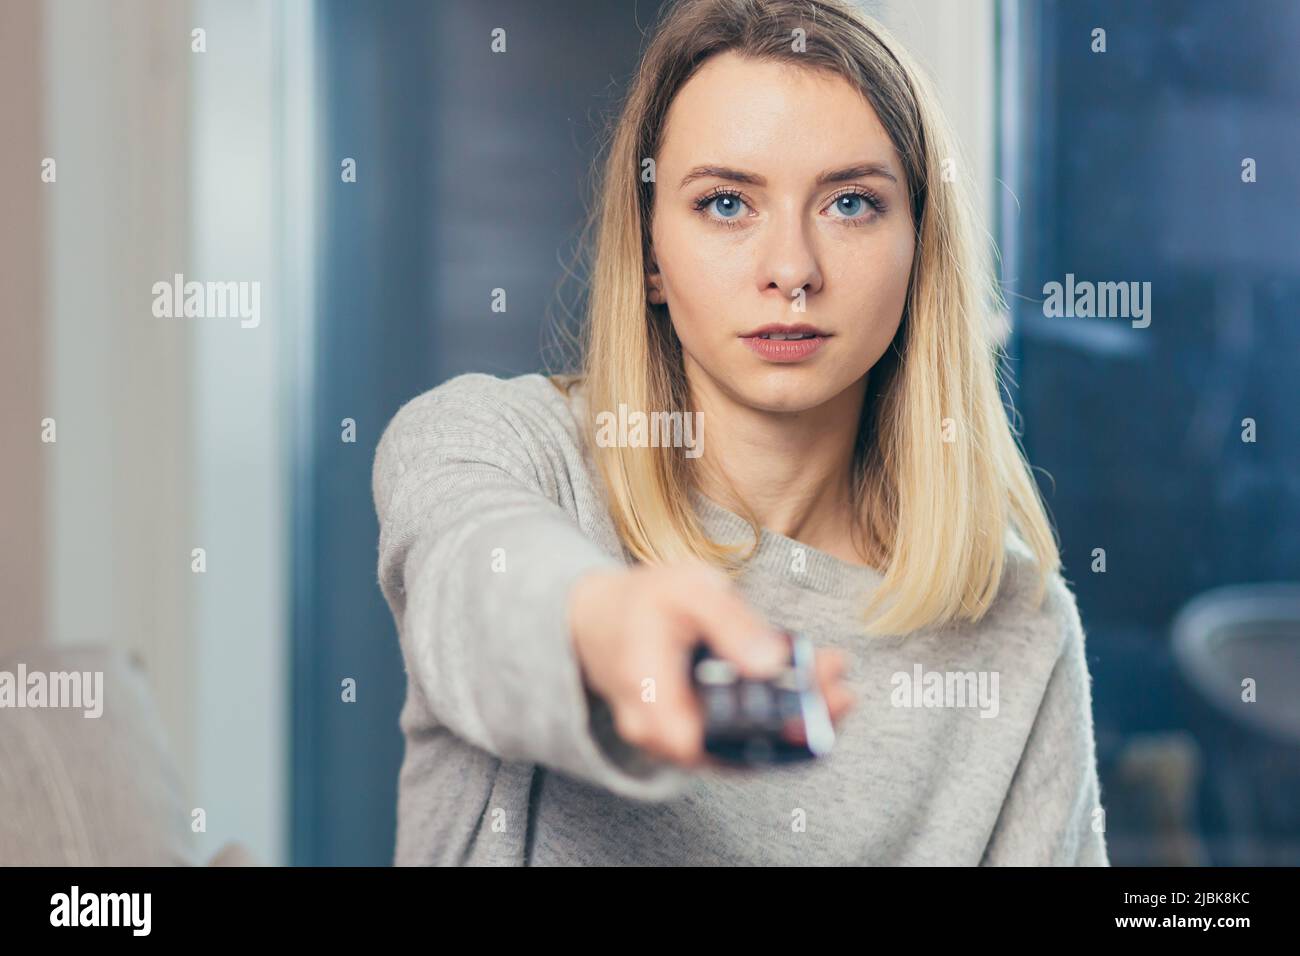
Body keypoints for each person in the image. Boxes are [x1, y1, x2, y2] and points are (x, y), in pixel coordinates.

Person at [373, 0, 1109, 866]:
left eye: (850, 203)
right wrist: (608, 629)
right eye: (726, 203)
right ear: (651, 251)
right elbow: (478, 586)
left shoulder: (1018, 628)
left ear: (920, 246)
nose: (791, 270)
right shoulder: (498, 443)